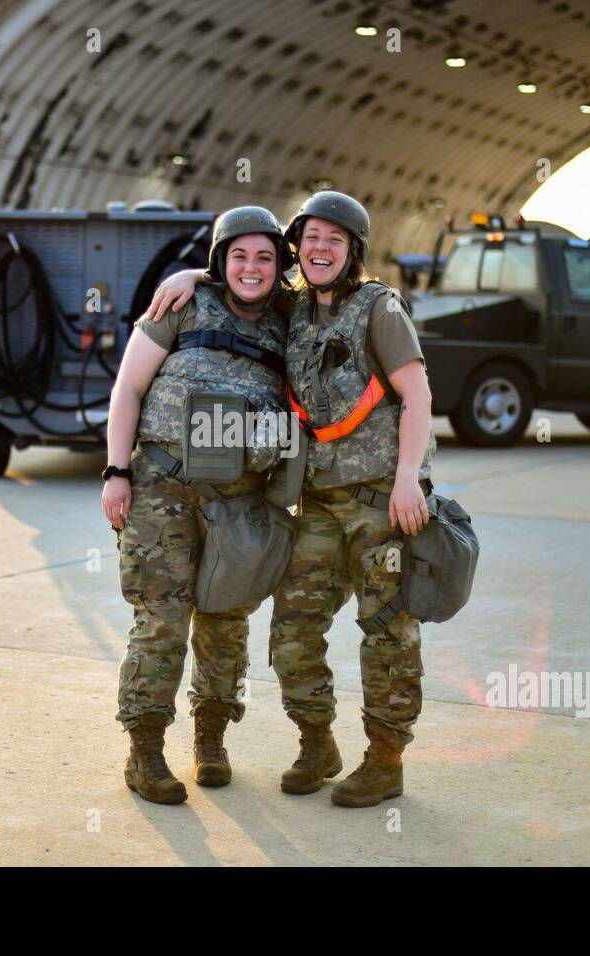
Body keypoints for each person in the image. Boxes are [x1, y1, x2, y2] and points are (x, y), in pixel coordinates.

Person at [145, 192, 436, 808]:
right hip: (320, 504)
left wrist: (410, 476)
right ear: (296, 248)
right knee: (292, 629)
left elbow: (417, 393)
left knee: (387, 631)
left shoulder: (378, 306)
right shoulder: (294, 308)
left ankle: (385, 761)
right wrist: (192, 271)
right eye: (311, 239)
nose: (320, 249)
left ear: (353, 250)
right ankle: (317, 742)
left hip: (383, 499)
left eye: (335, 239)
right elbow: (237, 274)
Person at [103, 206, 292, 804]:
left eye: (265, 256)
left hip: (238, 496)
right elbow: (128, 389)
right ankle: (146, 751)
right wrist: (116, 470)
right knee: (160, 617)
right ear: (220, 261)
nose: (252, 267)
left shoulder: (291, 322)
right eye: (238, 255)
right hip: (163, 484)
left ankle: (210, 739)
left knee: (224, 619)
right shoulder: (180, 305)